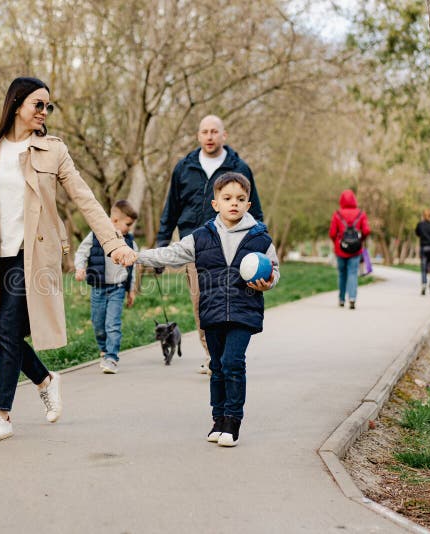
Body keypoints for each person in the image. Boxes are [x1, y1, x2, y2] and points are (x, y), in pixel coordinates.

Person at [0, 77, 137, 443]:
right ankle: (45, 379)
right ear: (17, 103)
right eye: (38, 104)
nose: (44, 112)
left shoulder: (53, 151)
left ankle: (0, 415)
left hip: (31, 257)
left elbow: (85, 199)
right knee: (5, 335)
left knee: (6, 329)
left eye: (48, 106)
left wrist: (112, 244)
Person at [137, 172, 279, 447]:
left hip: (243, 311)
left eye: (240, 198)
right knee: (217, 366)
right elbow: (171, 254)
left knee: (232, 363)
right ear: (216, 204)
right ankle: (218, 419)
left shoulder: (261, 238)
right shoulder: (200, 237)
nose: (234, 203)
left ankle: (233, 421)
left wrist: (268, 283)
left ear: (248, 204)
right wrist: (138, 256)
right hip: (212, 312)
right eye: (227, 198)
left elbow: (274, 271)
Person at [155, 115, 263, 374]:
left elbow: (255, 208)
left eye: (215, 131)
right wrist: (162, 243)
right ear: (198, 135)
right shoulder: (184, 167)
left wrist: (259, 244)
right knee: (202, 302)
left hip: (235, 246)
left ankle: (229, 355)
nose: (210, 136)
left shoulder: (239, 167)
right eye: (205, 131)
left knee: (230, 300)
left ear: (223, 136)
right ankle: (213, 356)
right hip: (196, 246)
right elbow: (172, 208)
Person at [74, 200, 139, 374]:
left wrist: (131, 290)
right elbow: (82, 251)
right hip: (98, 287)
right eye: (128, 224)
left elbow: (134, 268)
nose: (130, 229)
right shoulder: (96, 235)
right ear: (115, 221)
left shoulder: (130, 242)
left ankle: (111, 357)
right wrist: (80, 268)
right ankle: (103, 348)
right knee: (98, 323)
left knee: (113, 324)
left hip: (117, 288)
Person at [328, 189, 371, 309]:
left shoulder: (337, 214)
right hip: (356, 249)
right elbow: (367, 230)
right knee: (353, 273)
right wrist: (361, 240)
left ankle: (341, 299)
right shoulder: (361, 213)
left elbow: (332, 233)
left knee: (342, 273)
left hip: (340, 249)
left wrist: (336, 243)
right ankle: (352, 298)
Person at [415, 209, 430, 295]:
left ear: (423, 215)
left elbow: (417, 233)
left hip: (424, 248)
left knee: (423, 267)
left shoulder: (420, 224)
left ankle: (424, 283)